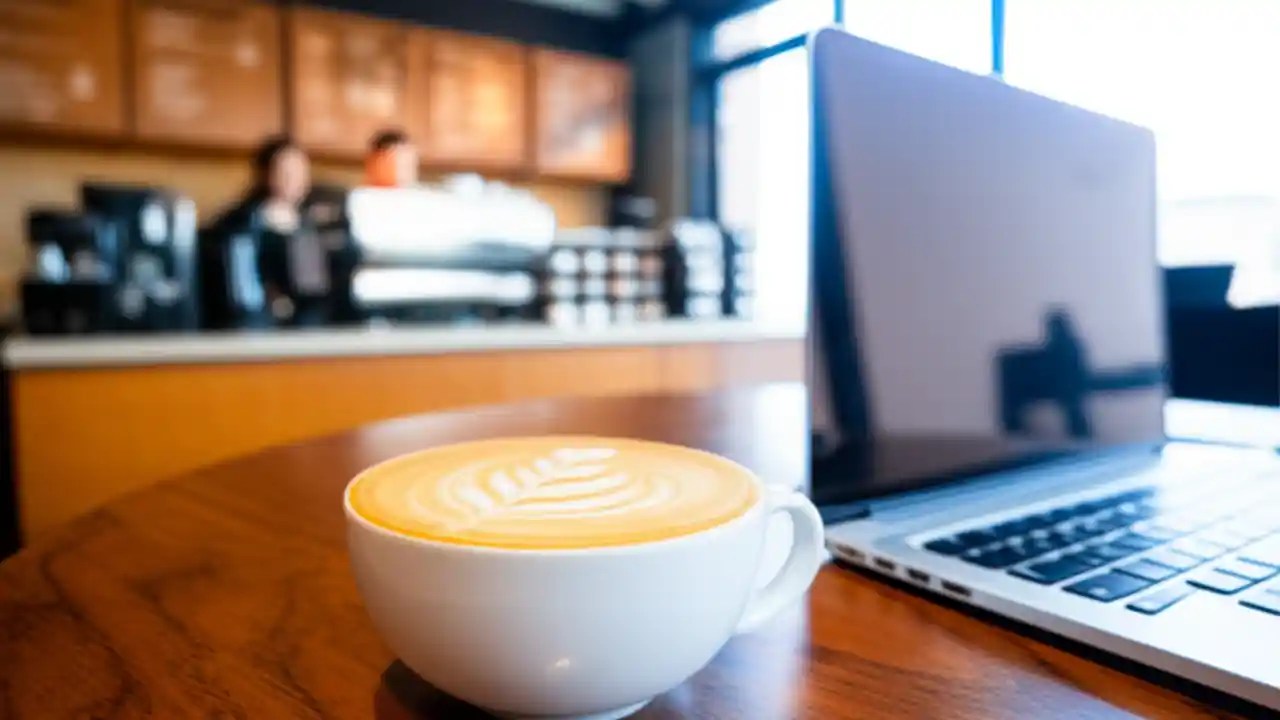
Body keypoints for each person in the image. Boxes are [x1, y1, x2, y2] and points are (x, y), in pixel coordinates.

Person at [202, 135, 334, 328]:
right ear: (266, 173)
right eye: (285, 171)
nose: (294, 179)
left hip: (303, 325)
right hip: (255, 320)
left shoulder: (311, 226)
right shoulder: (240, 225)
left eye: (299, 171)